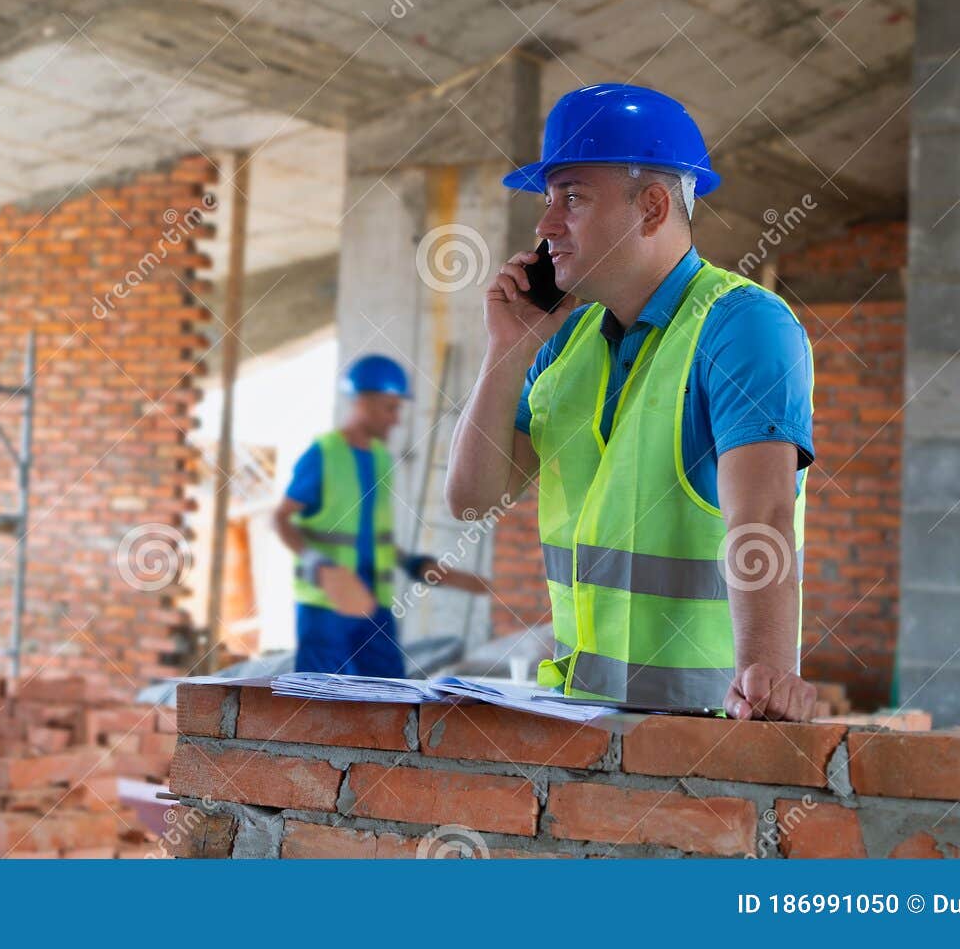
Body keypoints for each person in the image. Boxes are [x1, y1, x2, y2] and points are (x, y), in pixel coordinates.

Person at [445, 83, 818, 721]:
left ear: (650, 207)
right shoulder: (565, 344)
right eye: (548, 199)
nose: (545, 225)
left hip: (705, 721)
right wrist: (507, 349)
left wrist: (766, 680)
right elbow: (472, 499)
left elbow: (764, 514)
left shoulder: (742, 323)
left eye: (572, 197)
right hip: (586, 714)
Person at [275, 354, 490, 677]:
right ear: (362, 403)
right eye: (390, 408)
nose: (396, 419)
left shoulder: (380, 460)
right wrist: (318, 566)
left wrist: (416, 565)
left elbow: (376, 539)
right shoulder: (323, 454)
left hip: (374, 600)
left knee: (389, 695)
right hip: (326, 602)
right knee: (317, 701)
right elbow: (282, 519)